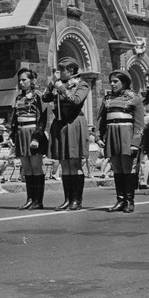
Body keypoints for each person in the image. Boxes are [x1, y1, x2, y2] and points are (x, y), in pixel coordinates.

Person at [41, 57, 91, 212]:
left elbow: (76, 100)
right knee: (64, 163)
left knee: (74, 163)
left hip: (73, 122)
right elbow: (45, 97)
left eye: (62, 70)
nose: (59, 72)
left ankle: (77, 199)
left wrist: (61, 88)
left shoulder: (82, 84)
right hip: (61, 123)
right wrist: (52, 83)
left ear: (71, 71)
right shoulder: (58, 84)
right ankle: (67, 199)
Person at [96, 70, 146, 212]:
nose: (112, 84)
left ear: (124, 83)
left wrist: (135, 142)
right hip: (112, 133)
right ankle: (120, 200)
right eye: (111, 81)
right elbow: (101, 120)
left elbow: (139, 123)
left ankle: (129, 201)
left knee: (127, 167)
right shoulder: (107, 99)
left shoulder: (135, 99)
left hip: (126, 134)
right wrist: (99, 136)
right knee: (116, 167)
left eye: (115, 81)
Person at [10, 68, 48, 210]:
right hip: (21, 133)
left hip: (33, 132)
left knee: (36, 167)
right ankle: (30, 199)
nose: (21, 82)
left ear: (32, 81)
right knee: (26, 168)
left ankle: (38, 200)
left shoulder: (38, 96)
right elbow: (14, 117)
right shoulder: (18, 97)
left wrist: (37, 137)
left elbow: (42, 118)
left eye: (24, 80)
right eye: (20, 80)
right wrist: (13, 136)